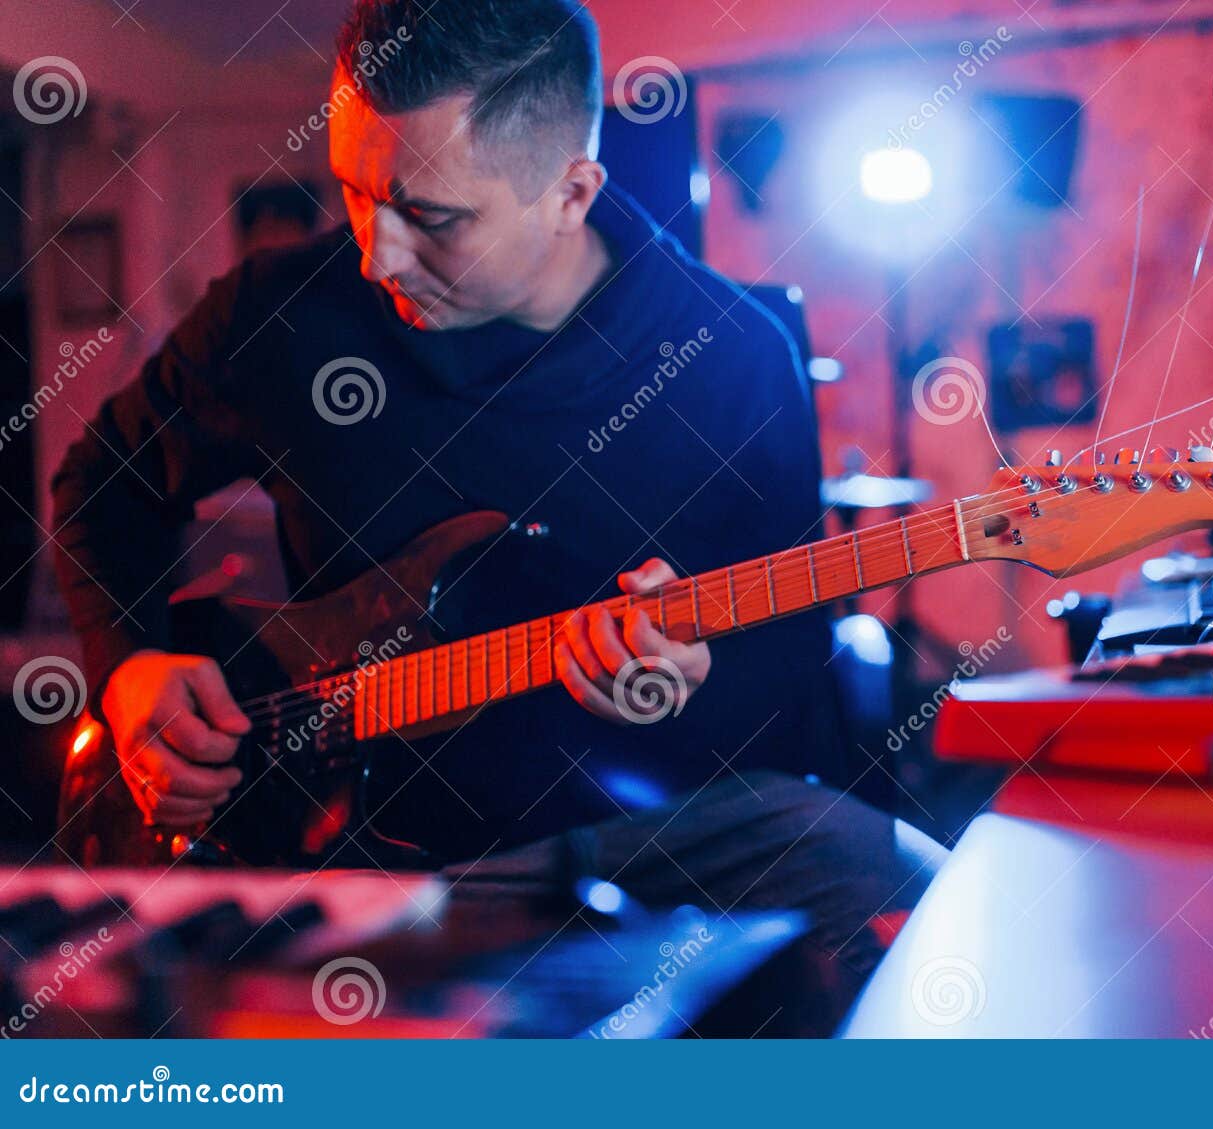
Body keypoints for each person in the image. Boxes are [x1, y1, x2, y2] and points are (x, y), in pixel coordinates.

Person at [51, 0, 944, 951]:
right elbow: (100, 485)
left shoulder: (731, 357)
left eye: (430, 216)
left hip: (640, 833)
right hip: (352, 842)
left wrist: (692, 675)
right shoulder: (278, 314)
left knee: (911, 888)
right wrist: (129, 667)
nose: (374, 250)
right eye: (353, 189)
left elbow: (792, 684)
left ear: (570, 193)